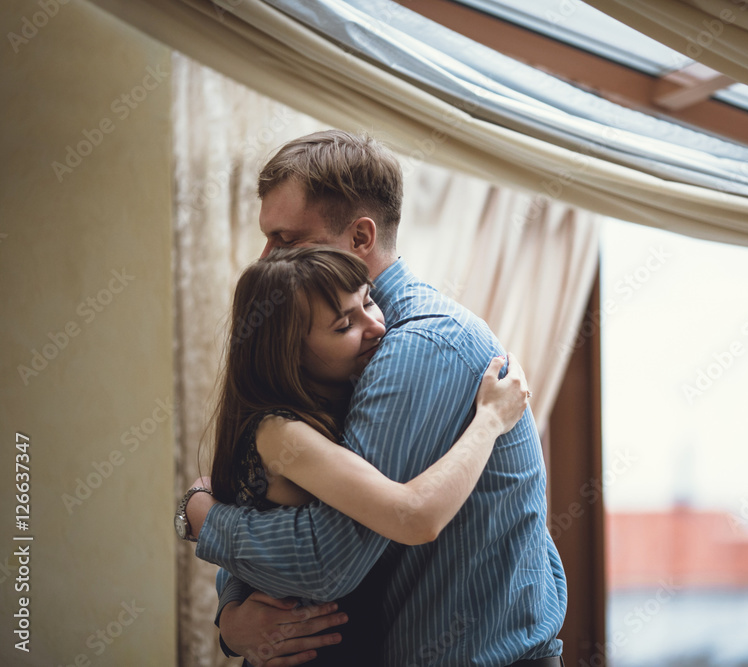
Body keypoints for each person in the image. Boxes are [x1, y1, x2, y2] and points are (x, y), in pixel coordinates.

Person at [183, 130, 567, 666]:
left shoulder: (414, 347)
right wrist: (234, 614)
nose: (266, 256)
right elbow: (283, 500)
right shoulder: (329, 354)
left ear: (361, 237)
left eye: (286, 239)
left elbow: (328, 559)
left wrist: (201, 515)